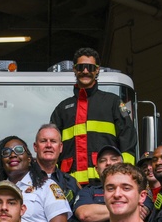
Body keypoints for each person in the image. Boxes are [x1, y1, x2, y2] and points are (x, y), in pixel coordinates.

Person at [50, 47, 138, 186]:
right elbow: (52, 149)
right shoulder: (62, 109)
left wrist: (125, 177)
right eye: (81, 67)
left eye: (90, 67)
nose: (85, 71)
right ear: (74, 69)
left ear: (97, 70)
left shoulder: (112, 102)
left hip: (106, 182)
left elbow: (128, 140)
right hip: (69, 185)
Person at [0, 135, 71, 222]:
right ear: (1, 162)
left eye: (19, 150)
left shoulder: (47, 186)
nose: (13, 155)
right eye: (6, 152)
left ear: (29, 159)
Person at [70, 146, 152, 222]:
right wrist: (128, 209)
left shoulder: (137, 188)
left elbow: (139, 214)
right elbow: (85, 214)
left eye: (114, 159)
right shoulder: (87, 191)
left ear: (122, 164)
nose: (108, 163)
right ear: (96, 169)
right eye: (103, 160)